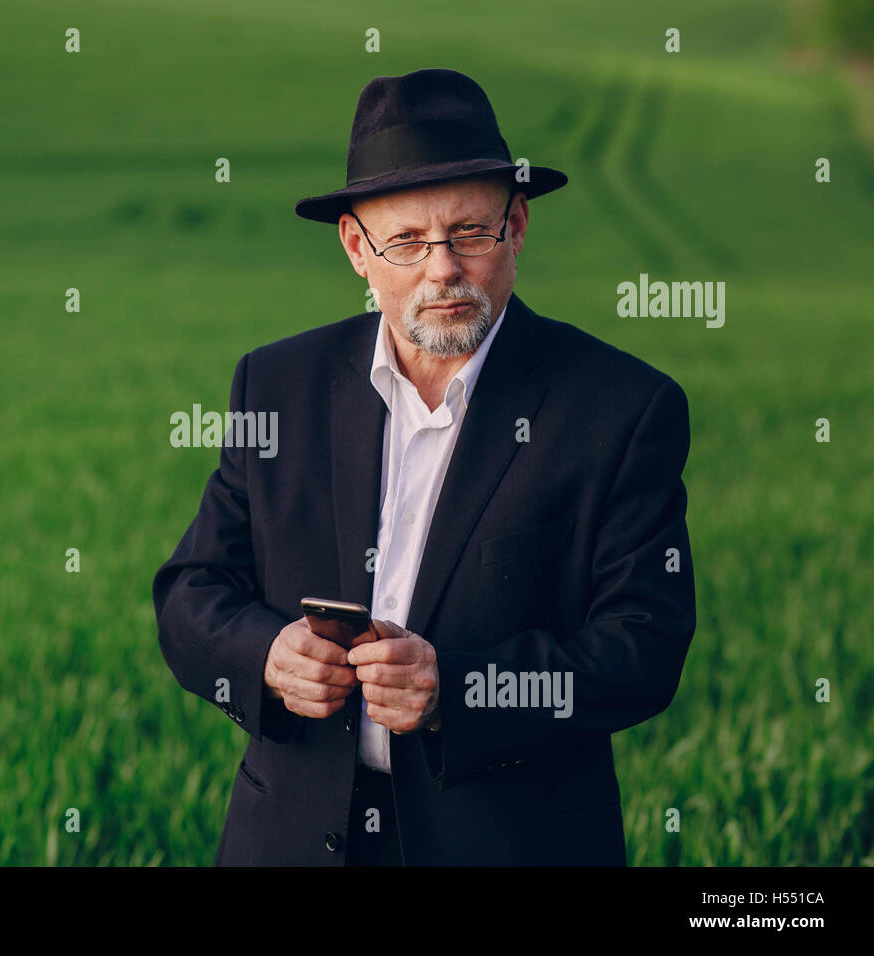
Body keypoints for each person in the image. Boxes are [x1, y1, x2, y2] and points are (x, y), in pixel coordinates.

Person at [152, 68, 696, 866]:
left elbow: (642, 651)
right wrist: (263, 655)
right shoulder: (276, 387)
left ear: (515, 225)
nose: (441, 269)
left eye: (469, 233)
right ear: (356, 250)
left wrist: (458, 691)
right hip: (291, 841)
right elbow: (190, 593)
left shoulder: (622, 408)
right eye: (405, 241)